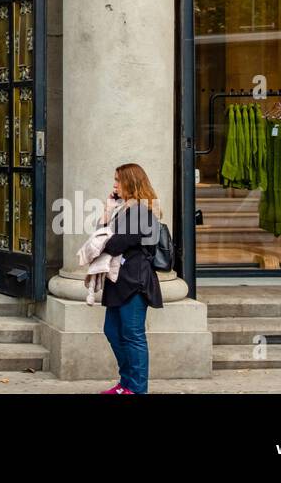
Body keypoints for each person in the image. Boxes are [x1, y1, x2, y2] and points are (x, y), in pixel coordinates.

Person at [100, 163, 164, 395]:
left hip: (134, 281)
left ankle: (136, 389)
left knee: (132, 334)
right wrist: (108, 210)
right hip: (120, 280)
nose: (114, 185)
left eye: (118, 180)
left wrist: (104, 240)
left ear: (131, 183)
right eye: (114, 180)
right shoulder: (125, 210)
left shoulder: (142, 212)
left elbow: (114, 243)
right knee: (112, 330)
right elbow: (104, 236)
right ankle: (126, 383)